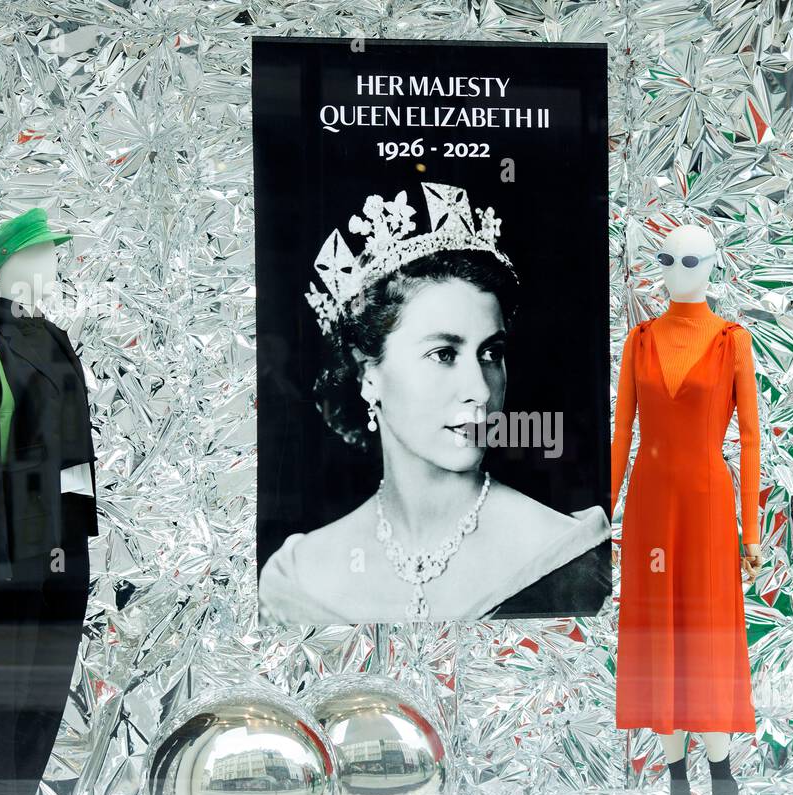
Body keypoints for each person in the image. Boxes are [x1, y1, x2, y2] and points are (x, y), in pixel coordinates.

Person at [260, 184, 610, 624]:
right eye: (444, 354)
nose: (481, 391)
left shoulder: (570, 558)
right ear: (369, 374)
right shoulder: (298, 579)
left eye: (491, 353)